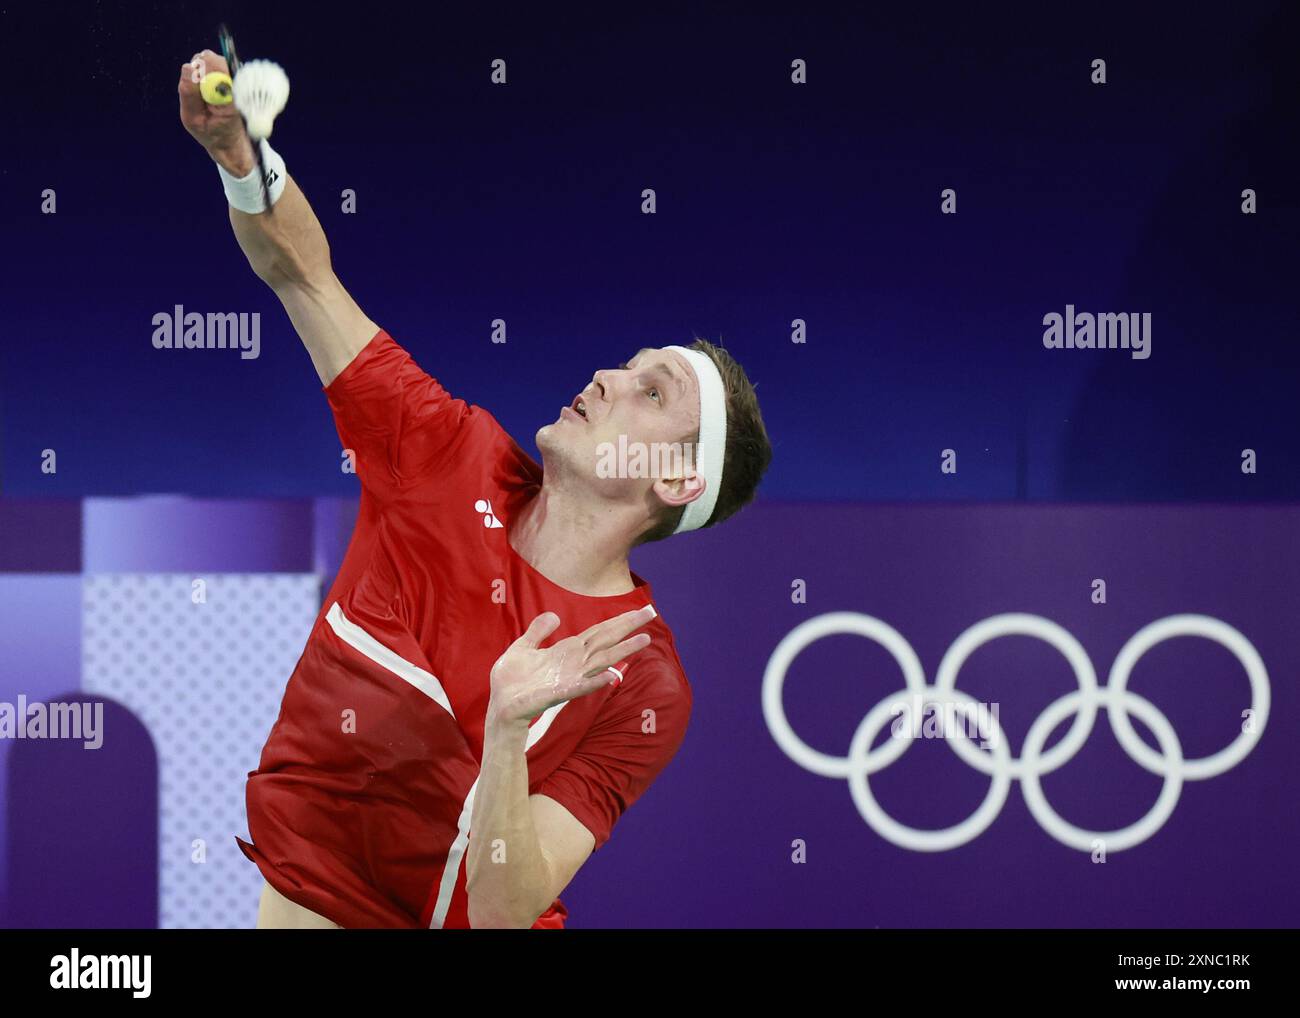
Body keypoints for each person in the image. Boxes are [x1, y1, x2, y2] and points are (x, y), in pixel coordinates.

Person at [177, 47, 772, 928]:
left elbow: (501, 914)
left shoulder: (640, 681)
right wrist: (241, 159)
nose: (608, 376)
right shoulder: (446, 453)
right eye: (629, 364)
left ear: (676, 477)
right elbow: (304, 274)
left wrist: (506, 734)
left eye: (652, 392)